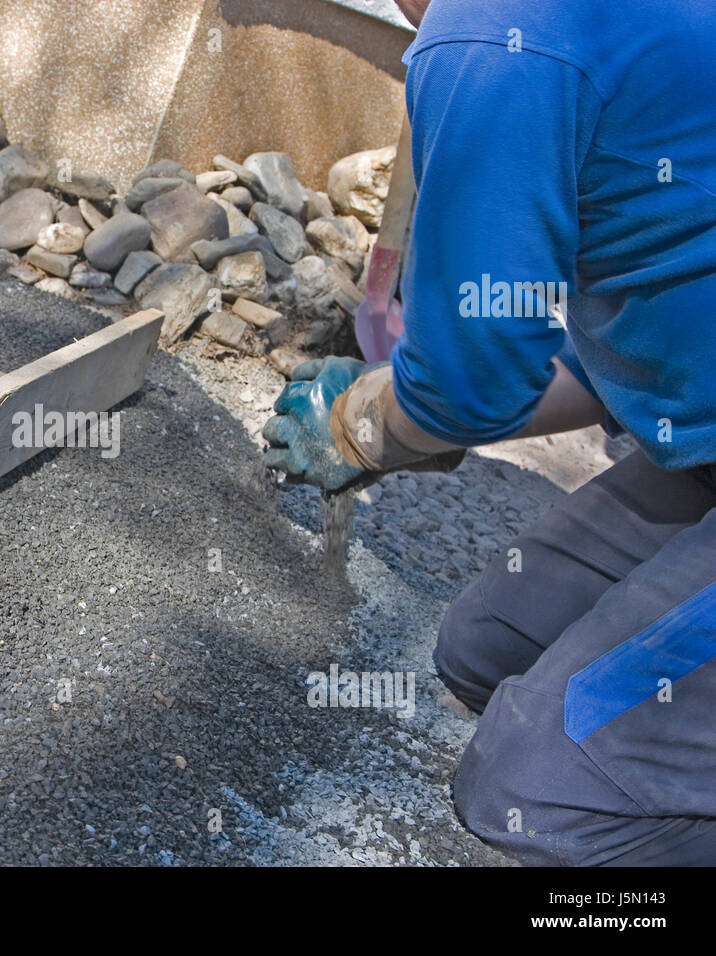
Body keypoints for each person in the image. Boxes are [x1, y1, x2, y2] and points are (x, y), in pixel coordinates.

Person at [263, 0, 716, 864]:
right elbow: (629, 353)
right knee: (487, 648)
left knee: (535, 793)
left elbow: (475, 377)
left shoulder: (495, 35)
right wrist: (408, 404)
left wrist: (366, 428)